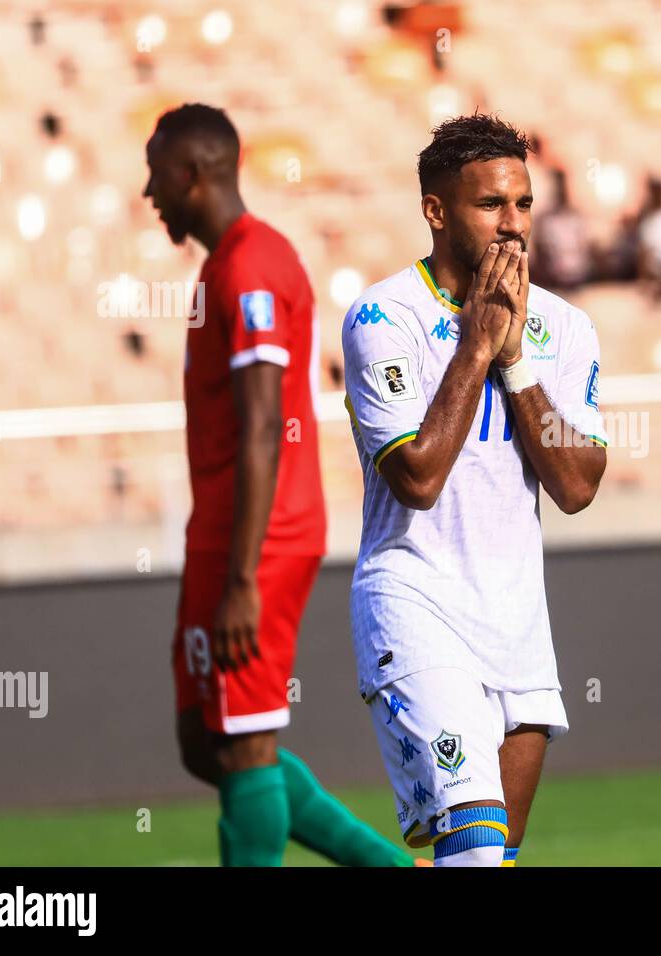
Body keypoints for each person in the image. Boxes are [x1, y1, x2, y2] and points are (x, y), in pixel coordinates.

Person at [144, 102, 412, 867]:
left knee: (244, 744)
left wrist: (240, 578)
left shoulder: (255, 266)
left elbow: (266, 423)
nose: (147, 192)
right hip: (225, 532)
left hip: (257, 539)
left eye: (155, 172)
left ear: (193, 173)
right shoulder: (224, 265)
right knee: (208, 741)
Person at [341, 113, 607, 866]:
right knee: (477, 847)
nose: (513, 224)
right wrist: (476, 344)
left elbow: (578, 486)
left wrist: (516, 360)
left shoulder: (564, 327)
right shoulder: (382, 317)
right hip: (415, 601)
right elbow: (417, 477)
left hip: (516, 620)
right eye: (491, 205)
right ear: (435, 210)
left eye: (523, 204)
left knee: (490, 857)